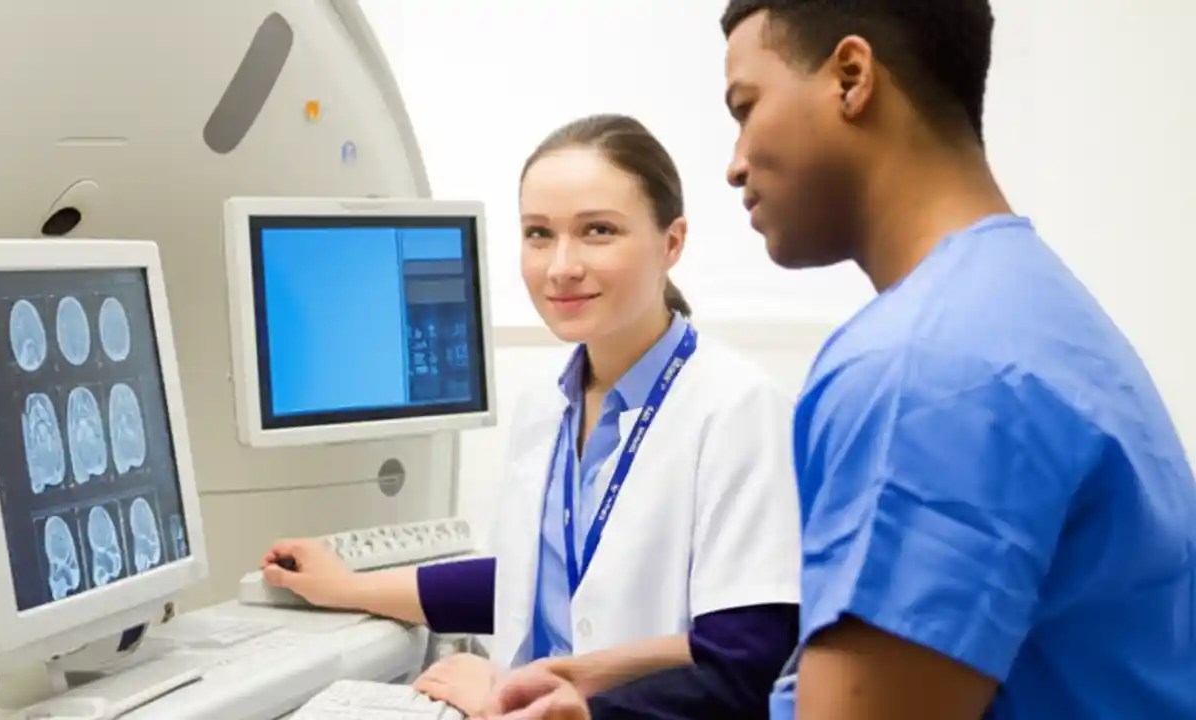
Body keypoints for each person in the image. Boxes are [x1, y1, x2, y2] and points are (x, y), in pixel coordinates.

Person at [482, 1, 1196, 718]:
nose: (733, 165)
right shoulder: (1031, 306)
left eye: (745, 107)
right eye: (538, 234)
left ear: (852, 78)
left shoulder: (922, 369)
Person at [260, 113, 803, 718]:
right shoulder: (547, 403)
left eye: (598, 231)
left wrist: (530, 695)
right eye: (539, 234)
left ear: (671, 242)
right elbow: (525, 583)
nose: (560, 266)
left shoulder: (740, 410)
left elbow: (746, 662)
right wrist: (346, 588)